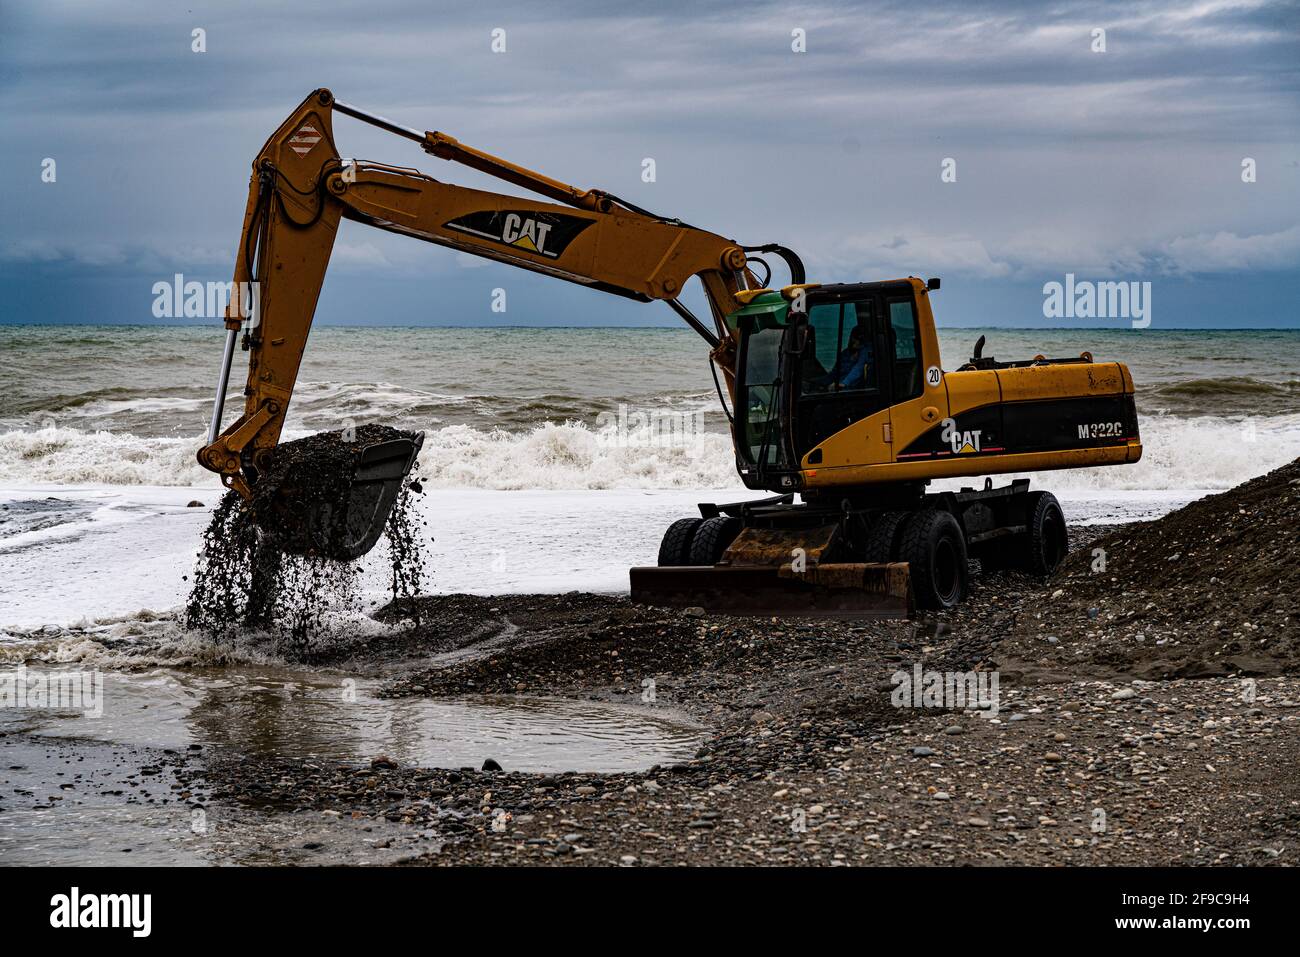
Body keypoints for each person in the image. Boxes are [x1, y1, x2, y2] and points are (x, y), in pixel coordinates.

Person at [815, 324, 872, 390]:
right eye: (853, 337)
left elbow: (858, 369)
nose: (854, 341)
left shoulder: (865, 352)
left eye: (858, 338)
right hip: (836, 385)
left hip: (851, 390)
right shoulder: (845, 353)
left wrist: (844, 383)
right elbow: (834, 373)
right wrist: (818, 382)